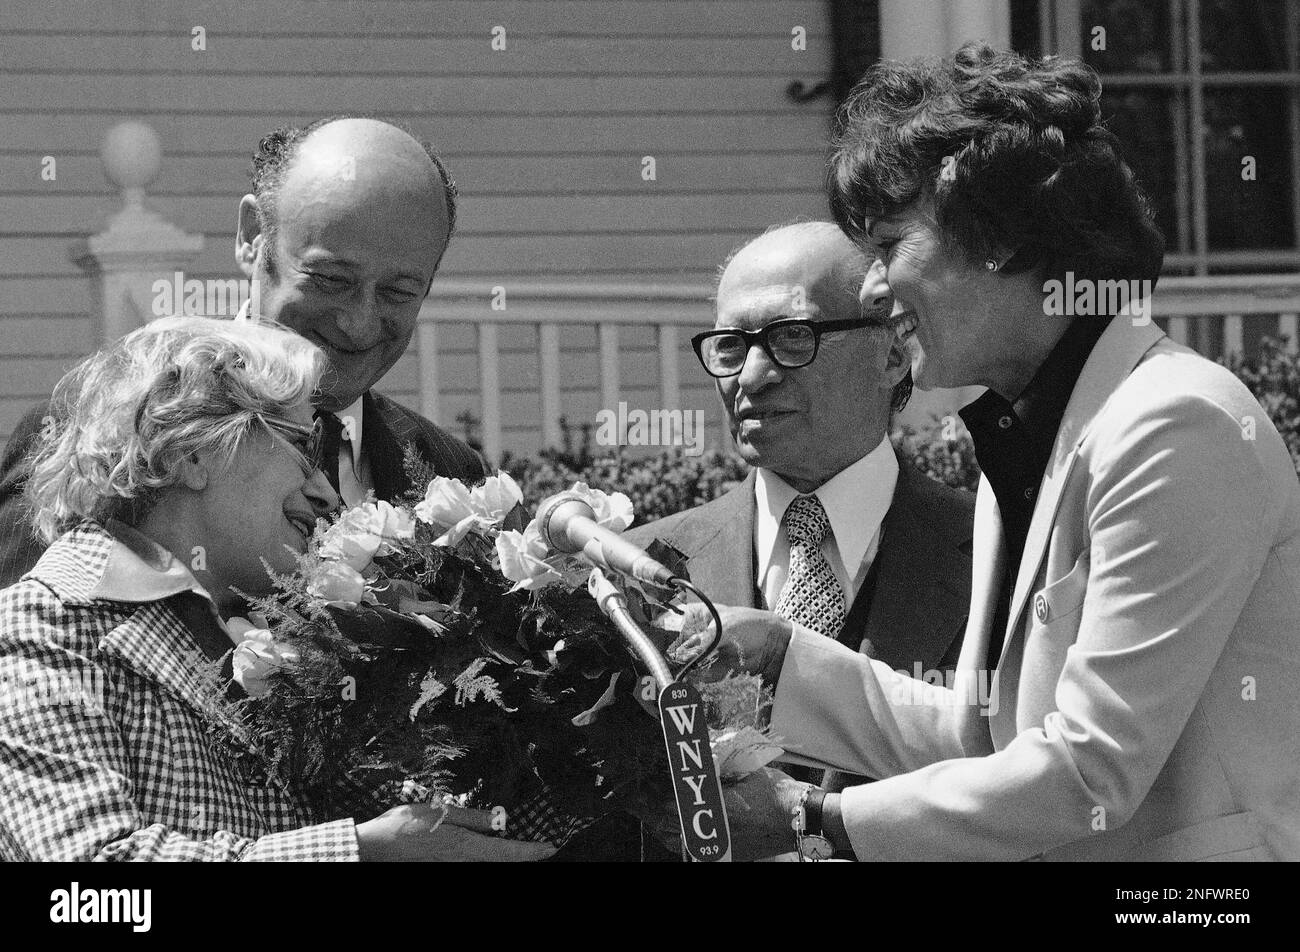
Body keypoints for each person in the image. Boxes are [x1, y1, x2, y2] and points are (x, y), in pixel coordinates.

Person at [672, 43, 1300, 862]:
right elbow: (987, 737)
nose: (869, 288)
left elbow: (1086, 771)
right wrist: (783, 659)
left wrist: (810, 822)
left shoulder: (1175, 424)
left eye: (890, 244)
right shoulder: (1030, 439)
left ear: (998, 238)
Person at [0, 317, 552, 862]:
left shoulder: (266, 624)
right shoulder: (46, 624)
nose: (323, 487)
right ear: (191, 449)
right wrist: (355, 853)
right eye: (301, 445)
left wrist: (590, 691)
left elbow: (438, 822)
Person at [0, 116, 486, 587]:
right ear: (254, 236)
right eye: (331, 280)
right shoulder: (96, 433)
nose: (358, 324)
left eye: (398, 293)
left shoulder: (455, 479)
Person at [626, 220, 973, 699]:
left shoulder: (1003, 554)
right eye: (730, 346)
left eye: (790, 338)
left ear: (892, 355)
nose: (749, 377)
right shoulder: (637, 573)